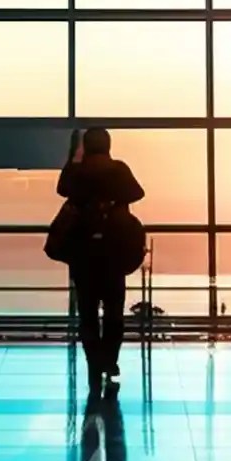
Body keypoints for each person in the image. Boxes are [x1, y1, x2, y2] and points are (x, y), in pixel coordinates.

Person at [57, 127, 145, 394]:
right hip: (114, 253)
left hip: (83, 255)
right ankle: (110, 360)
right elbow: (137, 193)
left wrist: (74, 159)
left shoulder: (78, 172)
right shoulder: (118, 169)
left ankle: (94, 362)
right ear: (108, 144)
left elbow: (62, 189)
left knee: (87, 314)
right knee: (114, 312)